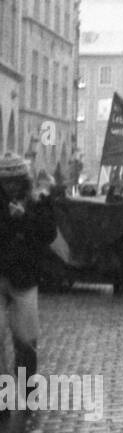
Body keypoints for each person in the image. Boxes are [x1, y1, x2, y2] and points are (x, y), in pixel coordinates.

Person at [0, 154, 57, 417]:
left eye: (15, 181)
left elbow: (48, 233)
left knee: (25, 339)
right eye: (6, 181)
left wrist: (24, 218)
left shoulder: (38, 201)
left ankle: (28, 394)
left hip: (24, 278)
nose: (10, 186)